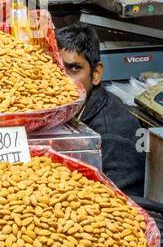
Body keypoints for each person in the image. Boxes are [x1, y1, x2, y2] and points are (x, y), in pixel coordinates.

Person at [57, 23, 146, 198]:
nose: (63, 79)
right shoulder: (60, 112)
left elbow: (120, 207)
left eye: (74, 68)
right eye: (57, 68)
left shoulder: (113, 133)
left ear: (96, 74)